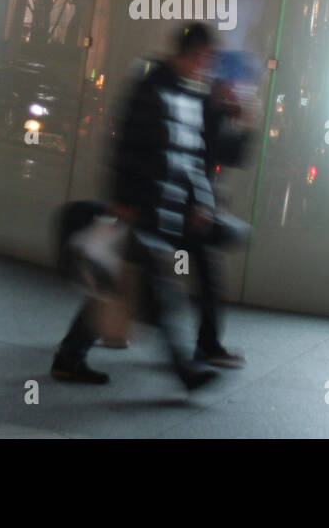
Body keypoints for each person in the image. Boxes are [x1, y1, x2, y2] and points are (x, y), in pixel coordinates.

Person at [50, 23, 221, 392]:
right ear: (190, 54)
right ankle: (185, 370)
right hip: (144, 211)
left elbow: (192, 158)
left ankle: (69, 356)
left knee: (119, 290)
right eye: (205, 57)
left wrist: (199, 202)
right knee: (157, 294)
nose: (207, 65)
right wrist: (124, 201)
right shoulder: (154, 89)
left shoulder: (184, 92)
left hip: (161, 211)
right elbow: (128, 149)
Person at [187, 71, 255, 367]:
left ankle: (205, 345)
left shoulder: (211, 111)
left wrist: (241, 122)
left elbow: (231, 155)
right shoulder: (208, 112)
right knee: (205, 278)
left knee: (202, 278)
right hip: (188, 210)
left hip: (191, 207)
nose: (236, 93)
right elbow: (222, 155)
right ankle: (205, 347)